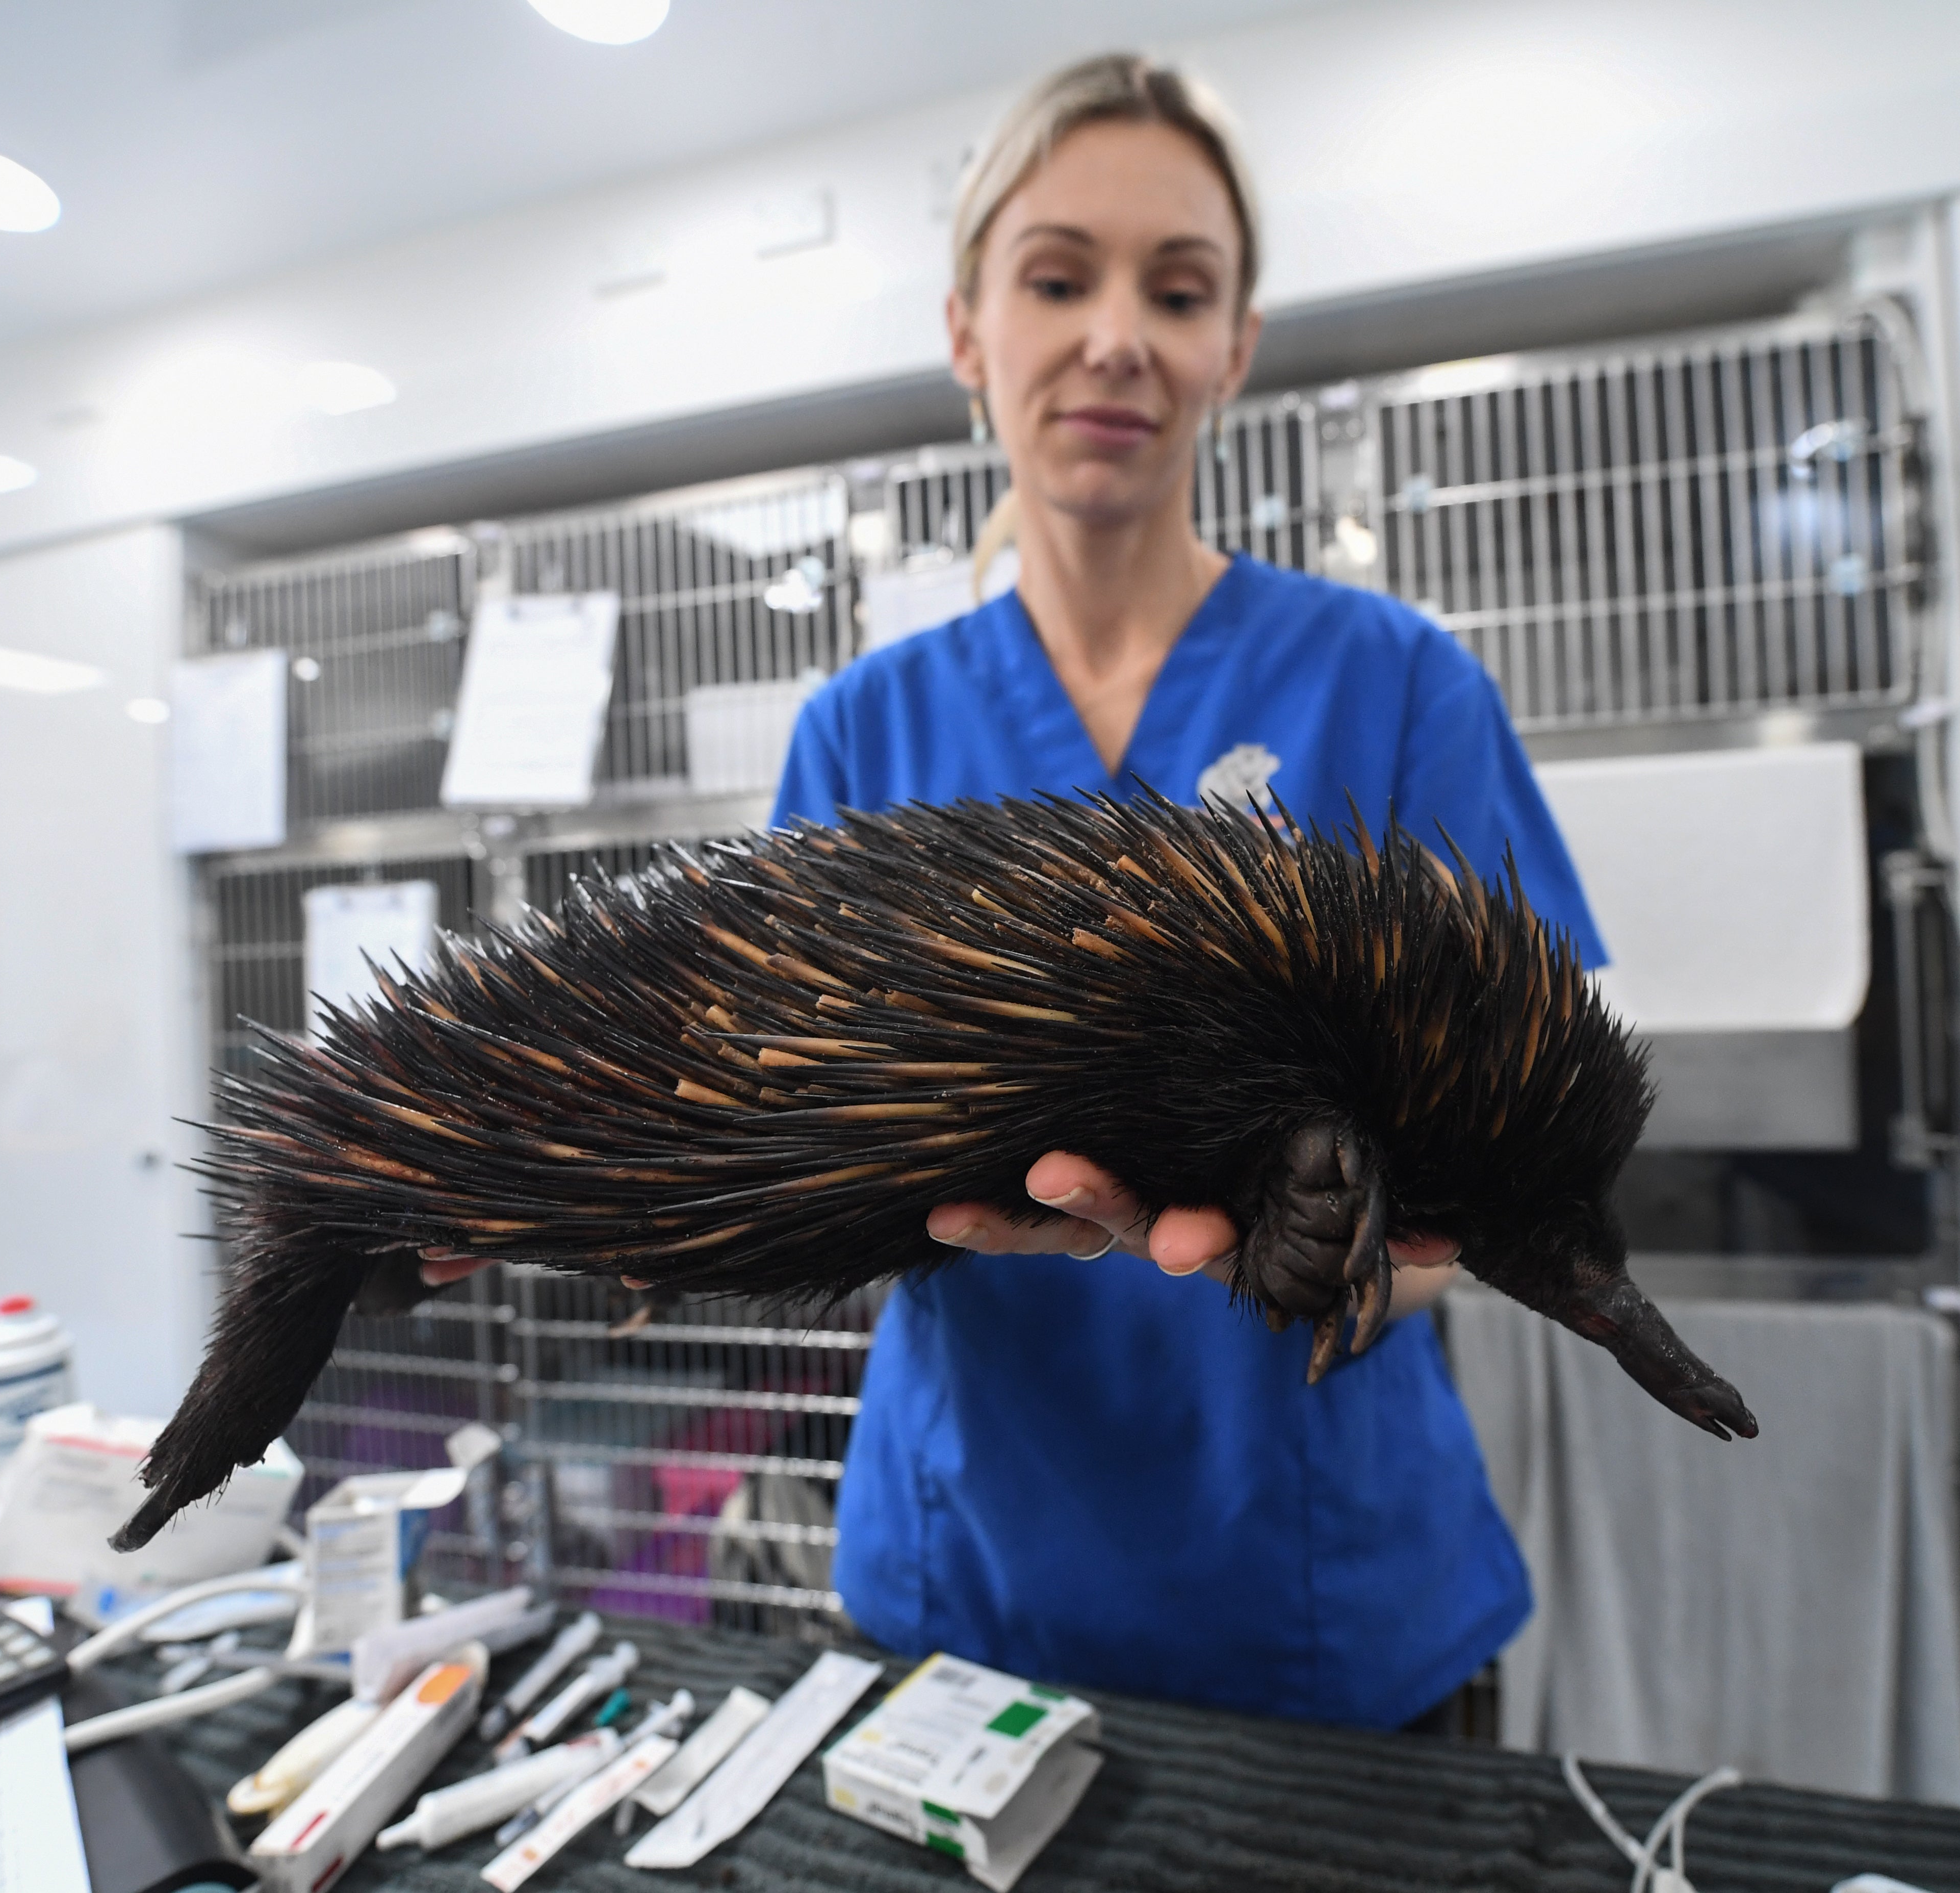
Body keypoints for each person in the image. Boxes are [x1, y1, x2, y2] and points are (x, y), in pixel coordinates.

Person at [762, 52, 1606, 1731]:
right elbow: (788, 1143)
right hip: (970, 1582)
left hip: (1321, 1589)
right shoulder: (864, 733)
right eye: (1058, 278)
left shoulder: (1397, 685)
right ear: (967, 332)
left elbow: (1512, 1177)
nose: (1118, 337)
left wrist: (1339, 1249)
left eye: (1181, 288)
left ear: (1239, 347)